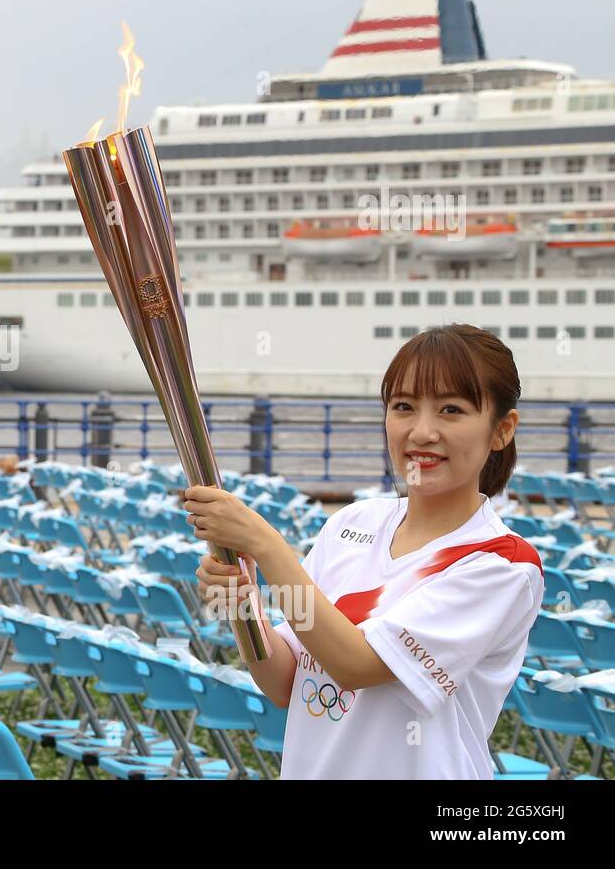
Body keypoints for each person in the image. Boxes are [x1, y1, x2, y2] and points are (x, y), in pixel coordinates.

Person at [190, 324, 543, 778]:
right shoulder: (352, 523)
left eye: (451, 409)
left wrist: (264, 544)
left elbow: (357, 664)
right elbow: (284, 680)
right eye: (403, 407)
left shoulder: (502, 563)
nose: (422, 431)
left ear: (502, 429)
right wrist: (242, 603)